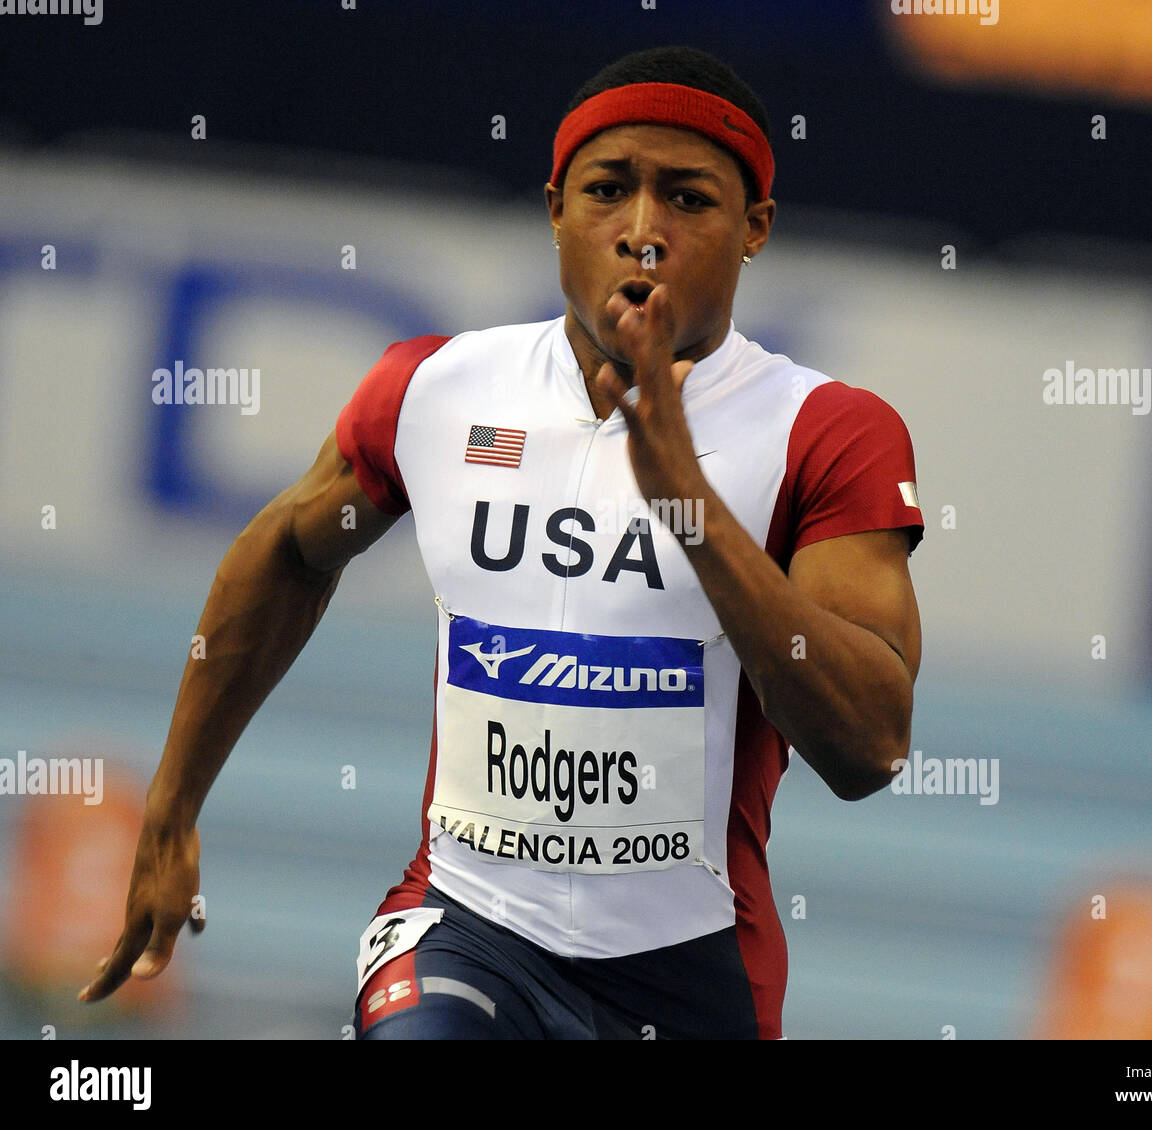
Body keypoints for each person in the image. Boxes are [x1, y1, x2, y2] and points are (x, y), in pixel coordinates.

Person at [80, 45, 924, 1040]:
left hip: (686, 973)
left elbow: (869, 743)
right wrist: (174, 807)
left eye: (689, 200)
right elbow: (284, 552)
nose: (643, 233)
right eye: (608, 190)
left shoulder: (825, 431)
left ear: (754, 231)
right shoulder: (437, 387)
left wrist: (688, 508)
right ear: (557, 208)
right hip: (464, 928)